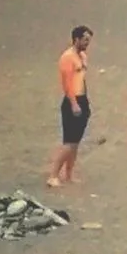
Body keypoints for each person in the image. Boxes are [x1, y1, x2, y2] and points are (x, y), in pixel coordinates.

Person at [46, 25, 92, 188]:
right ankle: (53, 175)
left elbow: (81, 79)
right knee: (69, 142)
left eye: (89, 40)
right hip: (72, 101)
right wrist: (73, 103)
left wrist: (84, 102)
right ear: (76, 39)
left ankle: (68, 174)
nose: (87, 43)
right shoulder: (67, 58)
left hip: (82, 99)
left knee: (76, 142)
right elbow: (67, 84)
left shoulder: (83, 57)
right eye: (85, 40)